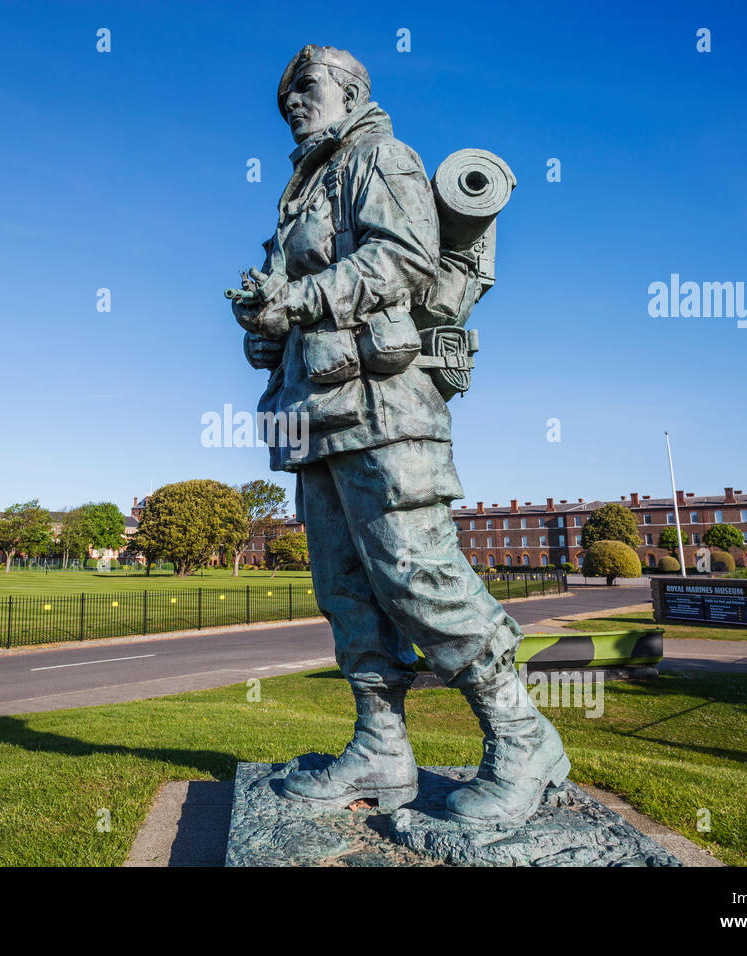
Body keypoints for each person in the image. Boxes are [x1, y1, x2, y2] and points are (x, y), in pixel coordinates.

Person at [231, 45, 568, 826]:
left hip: (388, 414)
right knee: (346, 594)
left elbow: (406, 259)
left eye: (306, 88)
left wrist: (302, 298)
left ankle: (524, 738)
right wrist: (264, 326)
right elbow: (295, 305)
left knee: (418, 576)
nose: (292, 101)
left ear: (351, 91)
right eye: (284, 95)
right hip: (313, 418)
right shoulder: (301, 193)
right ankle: (381, 748)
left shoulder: (381, 156)